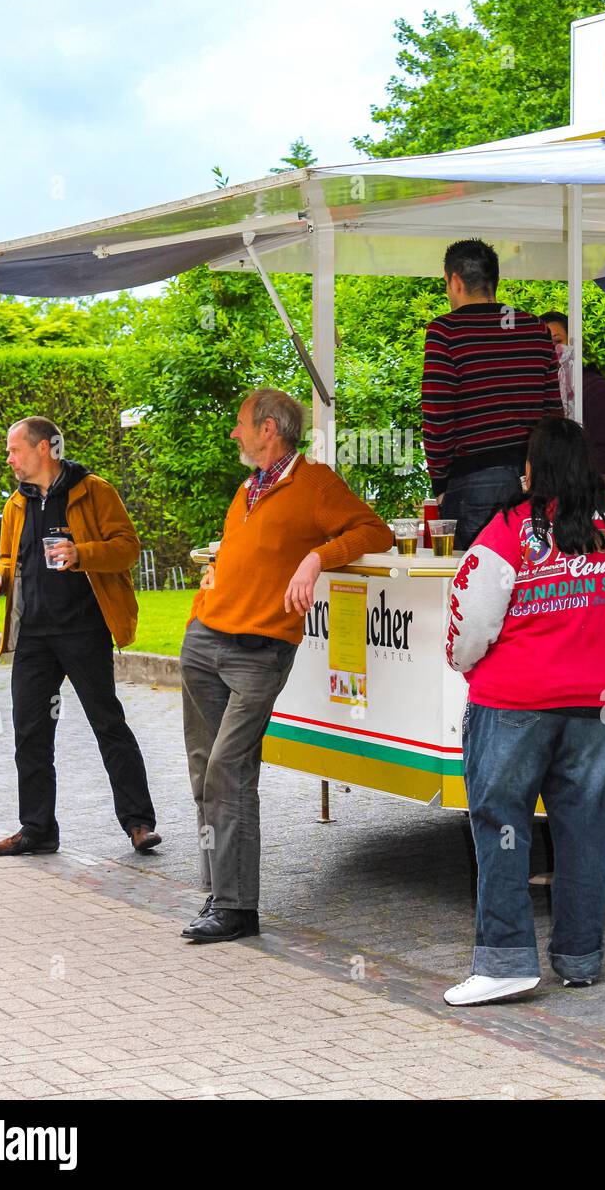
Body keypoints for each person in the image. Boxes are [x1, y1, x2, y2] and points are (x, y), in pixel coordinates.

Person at [442, 417, 605, 1006]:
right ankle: (581, 959)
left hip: (513, 701)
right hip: (597, 703)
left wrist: (464, 665)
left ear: (533, 469)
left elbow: (472, 620)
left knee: (503, 824)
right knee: (587, 832)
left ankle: (506, 962)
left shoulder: (509, 529)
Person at [179, 388, 392, 944]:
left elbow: (374, 531)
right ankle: (217, 893)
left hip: (259, 651)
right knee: (206, 772)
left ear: (270, 428)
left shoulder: (315, 483)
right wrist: (200, 612)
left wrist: (316, 557)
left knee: (229, 769)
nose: (235, 434)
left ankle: (235, 908)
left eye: (241, 424)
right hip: (205, 640)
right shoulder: (248, 488)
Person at [0, 417, 161, 857]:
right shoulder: (15, 505)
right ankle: (38, 830)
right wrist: (0, 577)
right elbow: (8, 557)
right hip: (35, 637)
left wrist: (82, 553)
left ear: (44, 449)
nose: (9, 458)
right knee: (31, 732)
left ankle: (138, 823)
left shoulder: (93, 491)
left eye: (14, 449)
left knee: (107, 723)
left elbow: (128, 547)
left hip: (84, 628)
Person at [422, 239, 562, 551]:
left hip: (474, 481)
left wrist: (440, 484)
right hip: (535, 480)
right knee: (530, 579)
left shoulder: (445, 331)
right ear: (494, 281)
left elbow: (437, 416)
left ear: (455, 281)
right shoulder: (534, 328)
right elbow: (554, 411)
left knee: (478, 585)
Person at [539, 311, 605, 475]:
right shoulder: (535, 390)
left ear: (575, 345)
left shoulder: (597, 390)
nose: (551, 350)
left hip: (584, 488)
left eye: (557, 341)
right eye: (543, 345)